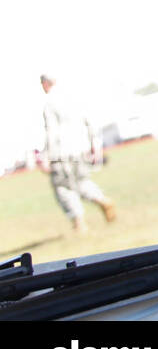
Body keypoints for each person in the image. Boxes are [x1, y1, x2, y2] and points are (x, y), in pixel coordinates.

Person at [38, 75, 116, 233]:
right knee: (81, 182)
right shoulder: (74, 99)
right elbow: (90, 124)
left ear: (46, 83)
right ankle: (102, 199)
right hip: (80, 150)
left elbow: (51, 131)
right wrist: (95, 147)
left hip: (60, 154)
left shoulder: (50, 102)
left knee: (63, 188)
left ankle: (78, 224)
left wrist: (46, 157)